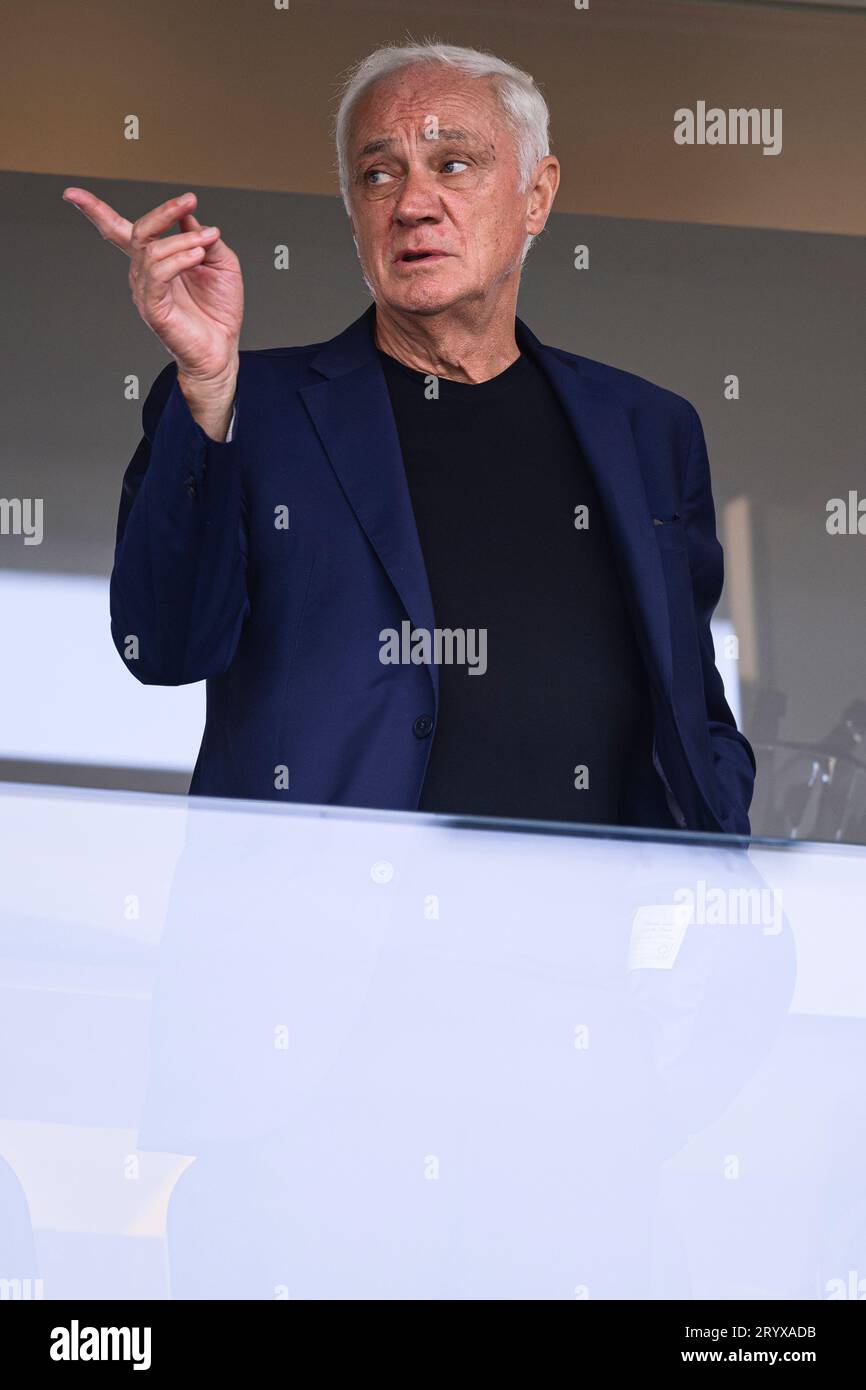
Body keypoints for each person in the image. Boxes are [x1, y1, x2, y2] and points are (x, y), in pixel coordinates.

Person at [64, 40, 755, 834]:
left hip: (588, 935)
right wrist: (210, 388)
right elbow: (164, 648)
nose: (412, 204)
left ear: (537, 196)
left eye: (453, 164)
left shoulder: (649, 428)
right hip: (323, 938)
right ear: (354, 212)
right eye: (378, 174)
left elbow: (692, 707)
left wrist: (710, 843)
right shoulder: (247, 403)